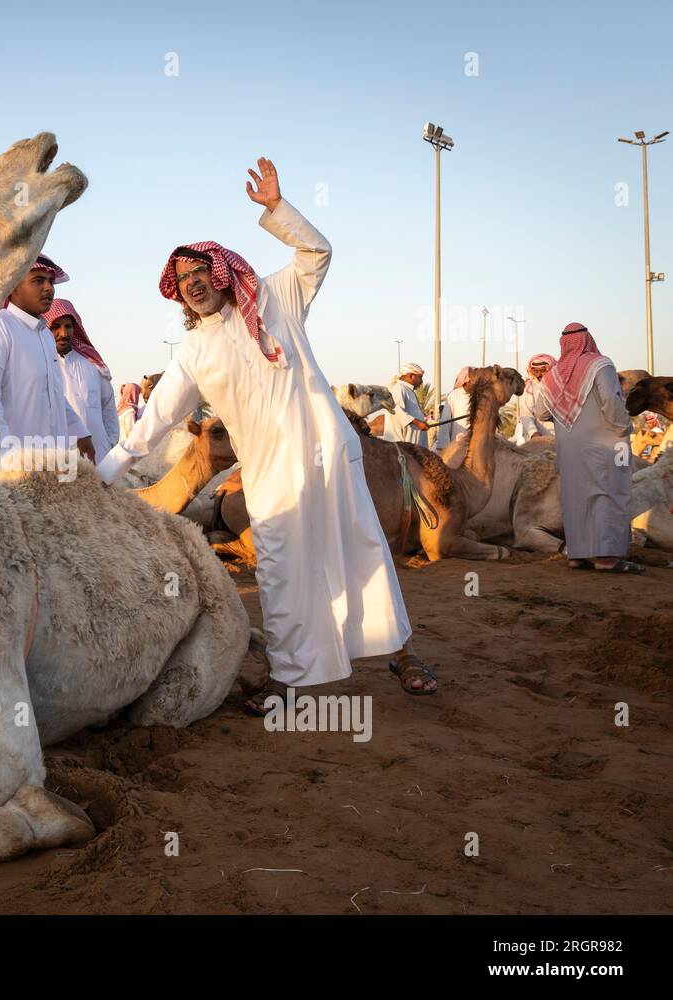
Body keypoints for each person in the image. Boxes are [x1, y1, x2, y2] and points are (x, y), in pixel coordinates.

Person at [97, 157, 436, 703]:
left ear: (221, 271)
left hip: (324, 452)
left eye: (200, 272)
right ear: (176, 293)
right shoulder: (194, 352)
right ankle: (287, 676)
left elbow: (317, 252)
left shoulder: (276, 298)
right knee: (281, 574)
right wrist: (103, 475)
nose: (194, 284)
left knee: (361, 550)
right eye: (183, 281)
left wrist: (278, 208)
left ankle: (400, 653)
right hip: (270, 476)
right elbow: (152, 420)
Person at [0, 254, 93, 478]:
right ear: (13, 286)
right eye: (38, 281)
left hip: (45, 470)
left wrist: (81, 433)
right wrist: (5, 460)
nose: (48, 288)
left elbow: (54, 395)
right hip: (4, 473)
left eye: (51, 282)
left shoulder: (44, 334)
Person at [532, 322, 642, 573]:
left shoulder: (553, 375)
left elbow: (540, 411)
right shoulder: (601, 365)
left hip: (569, 448)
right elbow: (612, 403)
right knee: (607, 494)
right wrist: (624, 428)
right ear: (587, 340)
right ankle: (607, 559)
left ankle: (577, 556)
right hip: (604, 444)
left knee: (575, 498)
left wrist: (565, 411)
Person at [45, 298, 119, 464]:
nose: (63, 333)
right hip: (63, 460)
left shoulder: (92, 365)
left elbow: (108, 406)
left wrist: (110, 443)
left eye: (68, 326)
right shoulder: (41, 367)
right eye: (55, 327)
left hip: (101, 456)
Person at [383, 363, 430, 444]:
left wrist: (422, 422)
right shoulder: (399, 388)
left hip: (410, 443)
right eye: (420, 377)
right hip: (402, 444)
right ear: (411, 376)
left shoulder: (407, 390)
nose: (422, 381)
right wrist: (418, 423)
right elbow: (396, 410)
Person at [514, 353, 556, 444]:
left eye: (543, 370)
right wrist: (534, 434)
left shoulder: (560, 386)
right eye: (536, 371)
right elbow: (526, 414)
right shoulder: (529, 387)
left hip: (559, 437)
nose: (539, 374)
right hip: (537, 439)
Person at [432, 367, 473, 451]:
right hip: (457, 442)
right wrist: (444, 445)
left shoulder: (479, 396)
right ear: (466, 381)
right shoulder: (454, 395)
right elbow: (446, 420)